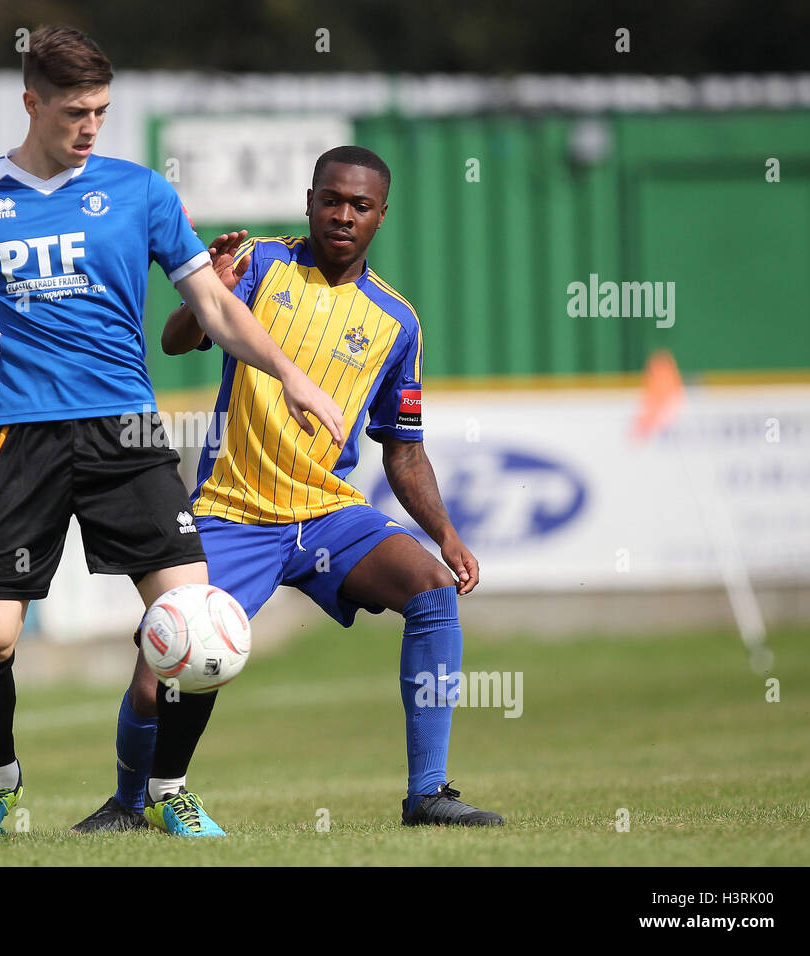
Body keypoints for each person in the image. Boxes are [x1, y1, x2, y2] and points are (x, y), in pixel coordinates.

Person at [0, 25, 344, 844]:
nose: (90, 126)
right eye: (74, 111)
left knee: (199, 622)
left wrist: (294, 375)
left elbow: (212, 306)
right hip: (15, 439)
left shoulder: (142, 194)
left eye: (101, 109)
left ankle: (167, 791)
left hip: (124, 431)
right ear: (32, 102)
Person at [73, 146, 505, 833]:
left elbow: (404, 449)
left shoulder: (398, 321)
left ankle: (427, 794)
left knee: (431, 588)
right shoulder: (260, 264)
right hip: (233, 510)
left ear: (381, 216)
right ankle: (129, 802)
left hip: (328, 514)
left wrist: (447, 536)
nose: (343, 215)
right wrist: (208, 285)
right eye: (331, 200)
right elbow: (179, 338)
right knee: (164, 667)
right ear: (309, 202)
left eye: (360, 206)